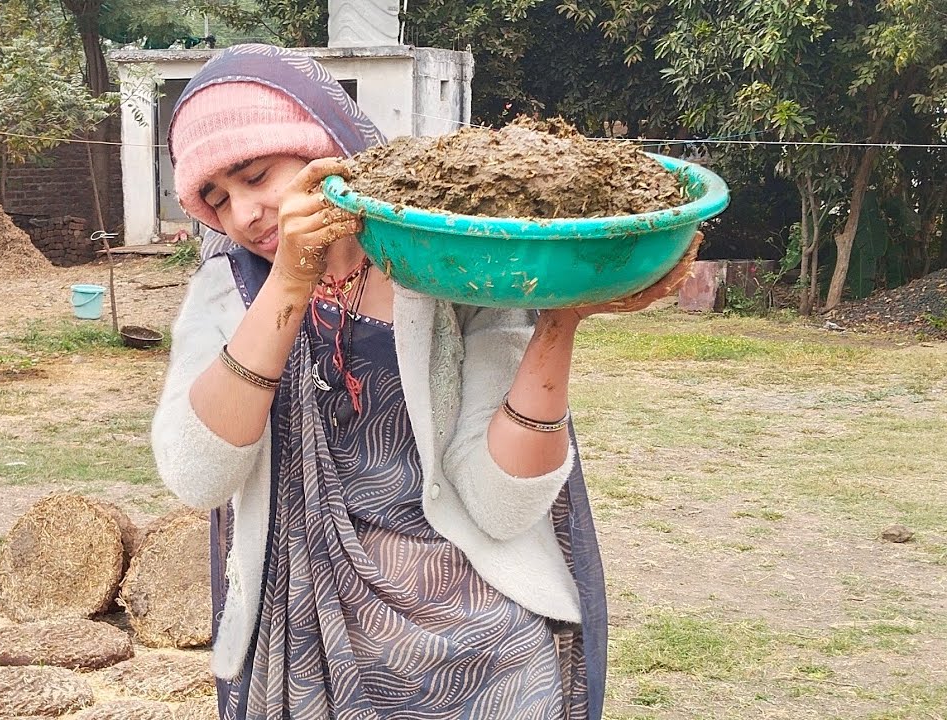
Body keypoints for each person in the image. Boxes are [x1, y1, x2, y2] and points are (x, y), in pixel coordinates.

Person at [150, 44, 701, 720]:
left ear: (325, 149)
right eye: (217, 200)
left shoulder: (456, 272)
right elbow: (197, 474)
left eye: (256, 176)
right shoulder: (229, 292)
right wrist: (291, 280)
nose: (243, 215)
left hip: (488, 653)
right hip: (311, 651)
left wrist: (560, 322)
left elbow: (500, 504)